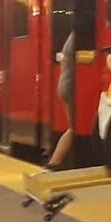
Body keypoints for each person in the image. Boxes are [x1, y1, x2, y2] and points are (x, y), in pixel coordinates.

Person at [45, 31, 77, 170]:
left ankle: (55, 162)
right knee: (73, 128)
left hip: (65, 85)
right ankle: (54, 163)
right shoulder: (79, 36)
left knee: (72, 127)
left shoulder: (72, 36)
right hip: (71, 87)